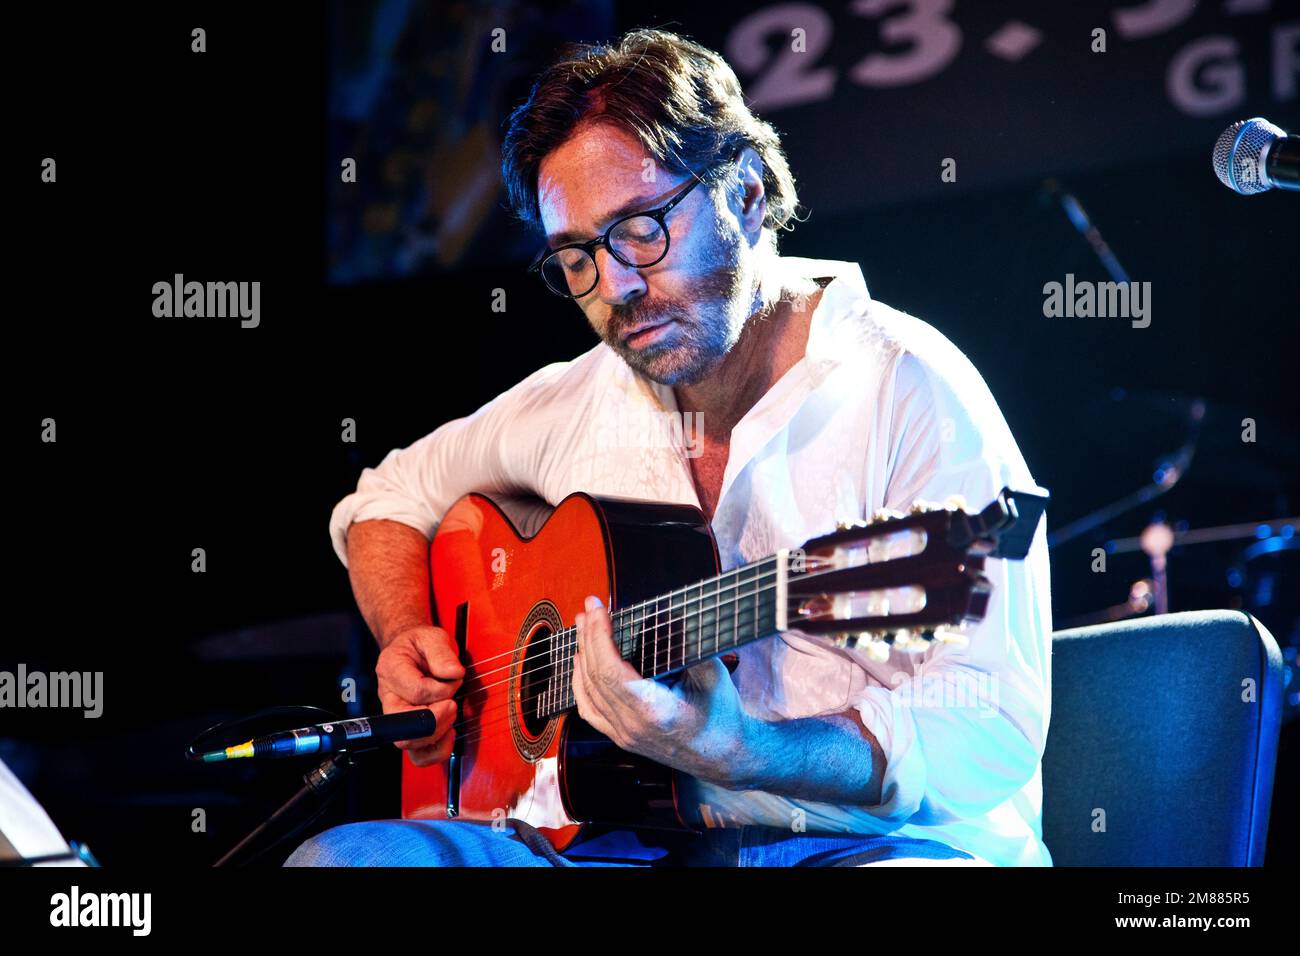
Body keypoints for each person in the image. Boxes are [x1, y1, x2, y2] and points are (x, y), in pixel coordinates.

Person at [285, 28, 1052, 867]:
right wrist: (406, 634)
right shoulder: (580, 398)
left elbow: (990, 732)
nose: (613, 286)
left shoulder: (909, 388)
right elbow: (385, 499)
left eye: (641, 229)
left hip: (875, 845)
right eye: (575, 256)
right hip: (620, 841)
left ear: (746, 193)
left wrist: (744, 750)